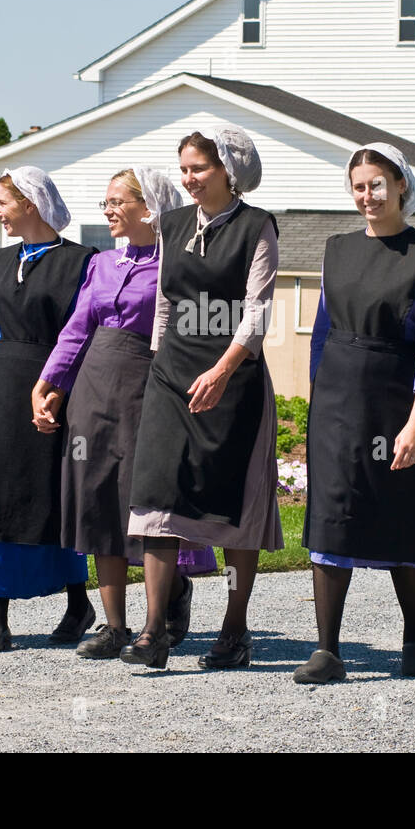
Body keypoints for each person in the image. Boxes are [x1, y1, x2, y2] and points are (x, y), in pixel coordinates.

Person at [294, 143, 415, 684]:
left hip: (395, 399)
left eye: (377, 185)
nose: (367, 195)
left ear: (402, 187)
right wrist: (318, 402)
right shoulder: (335, 248)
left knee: (402, 514)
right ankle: (327, 651)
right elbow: (321, 333)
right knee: (332, 513)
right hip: (338, 401)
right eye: (359, 186)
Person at [32, 167, 213, 659]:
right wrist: (49, 384)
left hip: (151, 389)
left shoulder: (177, 264)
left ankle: (166, 603)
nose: (108, 210)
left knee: (146, 501)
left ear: (148, 206)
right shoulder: (101, 264)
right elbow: (75, 330)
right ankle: (113, 626)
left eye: (117, 201)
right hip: (93, 391)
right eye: (105, 203)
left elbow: (188, 332)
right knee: (96, 499)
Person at [123, 125, 284, 670]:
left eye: (201, 168)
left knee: (234, 502)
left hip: (234, 376)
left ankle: (233, 631)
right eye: (185, 168)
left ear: (229, 171)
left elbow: (257, 310)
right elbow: (167, 304)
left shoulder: (256, 226)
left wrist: (221, 369)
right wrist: (156, 365)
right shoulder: (169, 225)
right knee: (156, 493)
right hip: (172, 374)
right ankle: (153, 633)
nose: (190, 178)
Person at [0, 166, 97, 653]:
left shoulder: (84, 261)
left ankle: (78, 602)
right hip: (3, 387)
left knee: (55, 494)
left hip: (57, 385)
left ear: (30, 204)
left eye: (2, 202)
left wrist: (60, 387)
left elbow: (83, 331)